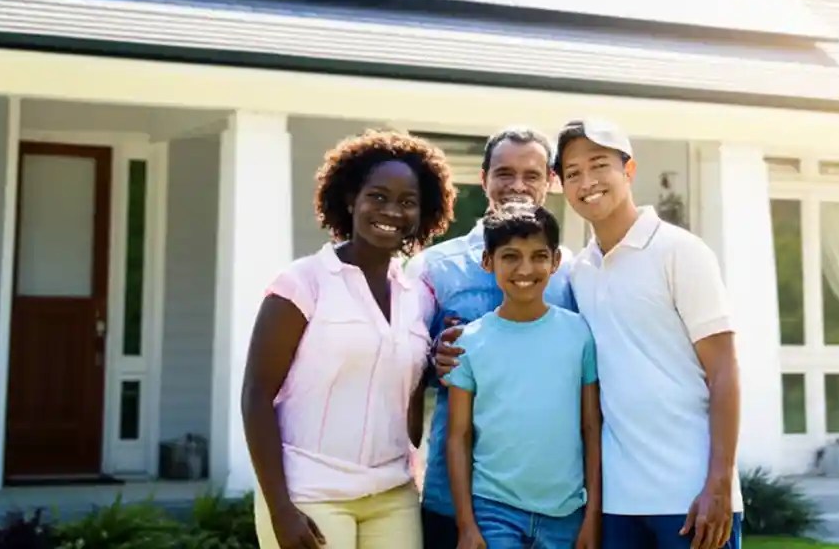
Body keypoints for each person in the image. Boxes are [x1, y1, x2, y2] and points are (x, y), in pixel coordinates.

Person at [242, 129, 457, 549]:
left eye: (407, 201)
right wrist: (279, 508)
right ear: (349, 199)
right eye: (377, 196)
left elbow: (409, 401)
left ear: (423, 212)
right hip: (310, 492)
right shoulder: (302, 283)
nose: (391, 210)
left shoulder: (418, 296)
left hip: (392, 494)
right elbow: (255, 395)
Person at [554, 119, 743, 549]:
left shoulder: (681, 252)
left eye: (599, 165)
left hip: (691, 494)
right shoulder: (580, 272)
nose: (587, 182)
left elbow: (725, 373)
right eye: (572, 173)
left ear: (629, 170)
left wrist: (719, 483)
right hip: (619, 502)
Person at [408, 126, 578, 548]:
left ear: (550, 182)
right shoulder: (435, 269)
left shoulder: (571, 274)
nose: (517, 186)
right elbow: (402, 363)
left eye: (531, 175)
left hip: (549, 500)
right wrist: (433, 361)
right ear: (483, 179)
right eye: (504, 173)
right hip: (455, 496)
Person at [444, 204, 602, 549]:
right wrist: (466, 524)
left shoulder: (579, 333)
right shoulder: (469, 342)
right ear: (488, 262)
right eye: (511, 256)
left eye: (538, 256)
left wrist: (592, 517)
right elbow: (459, 436)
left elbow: (591, 428)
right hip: (494, 511)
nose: (525, 269)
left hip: (566, 515)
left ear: (555, 261)